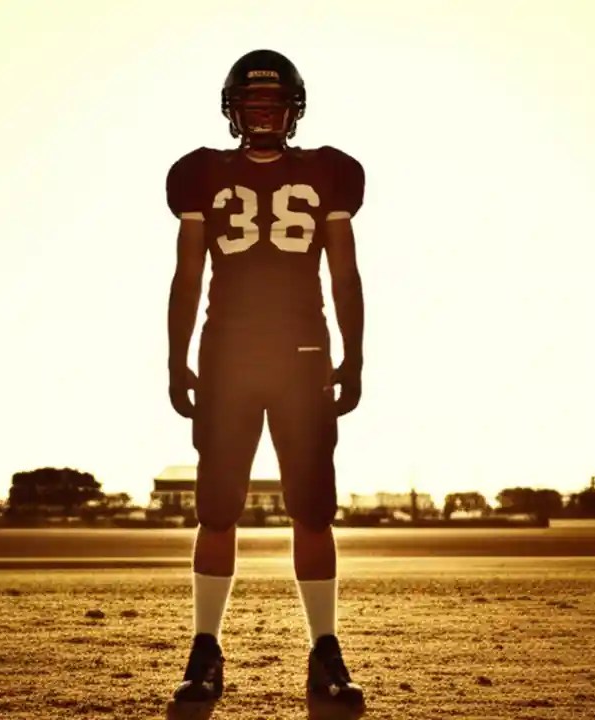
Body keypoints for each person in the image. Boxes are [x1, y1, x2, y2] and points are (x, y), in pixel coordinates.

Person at [164, 48, 366, 712]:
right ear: (232, 110)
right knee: (216, 510)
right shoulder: (200, 174)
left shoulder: (328, 172)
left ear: (292, 108)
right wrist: (178, 356)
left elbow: (343, 274)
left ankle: (325, 648)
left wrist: (354, 354)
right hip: (227, 353)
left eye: (272, 104)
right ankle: (204, 647)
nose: (262, 115)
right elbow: (188, 274)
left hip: (302, 352)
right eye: (252, 104)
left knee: (312, 509)